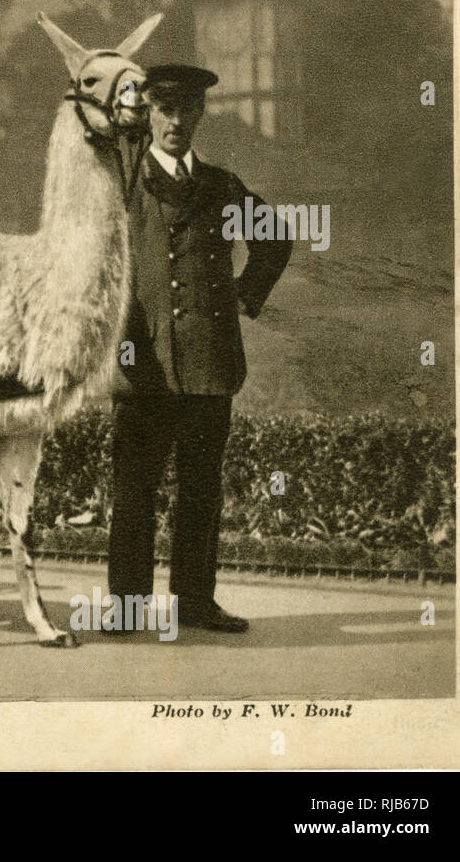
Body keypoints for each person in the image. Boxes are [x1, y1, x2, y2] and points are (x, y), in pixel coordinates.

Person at [106, 64, 292, 634]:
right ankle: (129, 609)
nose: (176, 121)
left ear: (201, 115)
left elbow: (275, 237)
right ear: (147, 114)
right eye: (164, 109)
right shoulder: (122, 187)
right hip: (144, 364)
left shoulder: (221, 187)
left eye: (187, 110)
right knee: (134, 491)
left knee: (201, 490)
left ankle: (195, 602)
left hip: (211, 364)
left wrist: (245, 295)